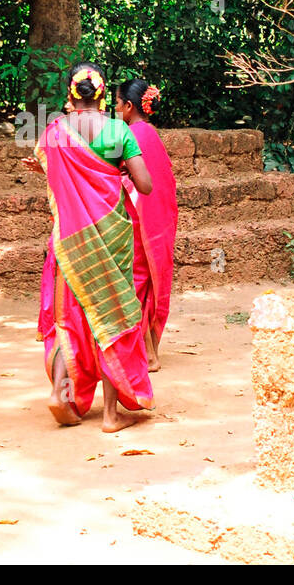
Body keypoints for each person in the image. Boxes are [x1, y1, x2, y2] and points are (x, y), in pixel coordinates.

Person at [22, 63, 156, 432]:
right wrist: (120, 171)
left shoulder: (53, 133)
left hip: (70, 241)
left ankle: (59, 394)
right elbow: (144, 186)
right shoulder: (117, 131)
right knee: (110, 319)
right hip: (112, 239)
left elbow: (59, 175)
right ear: (102, 96)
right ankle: (111, 415)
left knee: (69, 319)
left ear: (70, 96)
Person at [116, 80, 178, 372]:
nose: (115, 109)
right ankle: (148, 347)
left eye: (117, 103)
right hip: (157, 220)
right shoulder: (150, 134)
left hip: (138, 221)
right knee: (146, 284)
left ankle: (149, 355)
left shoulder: (130, 135)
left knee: (135, 283)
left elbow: (132, 179)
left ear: (129, 106)